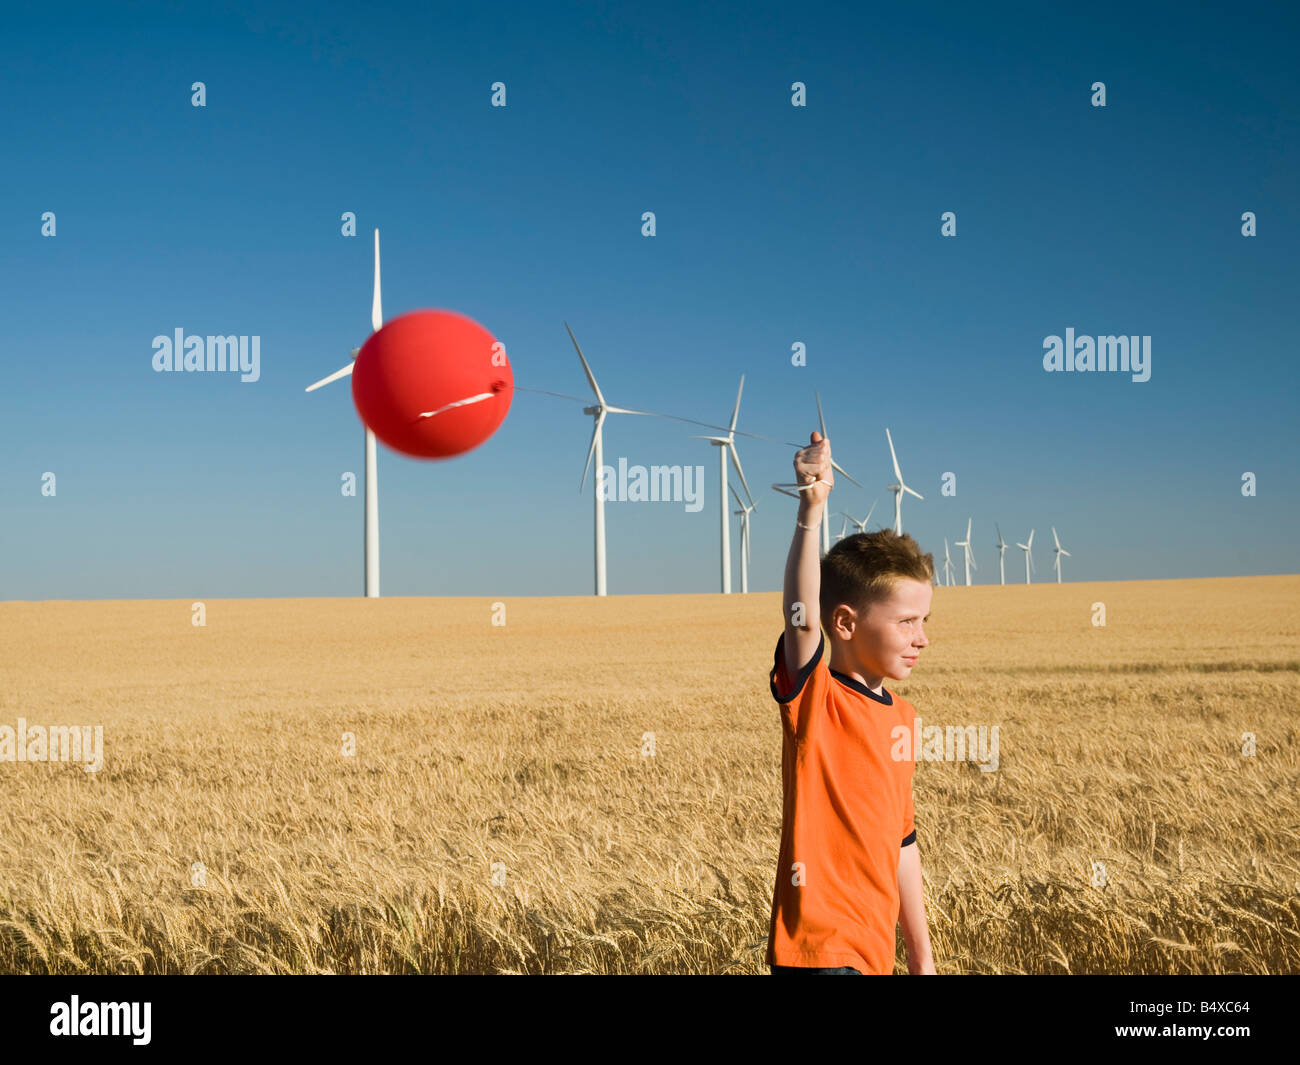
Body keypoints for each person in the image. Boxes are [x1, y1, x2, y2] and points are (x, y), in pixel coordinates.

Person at [767, 430, 937, 974]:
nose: (921, 638)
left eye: (924, 622)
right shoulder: (814, 696)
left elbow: (902, 844)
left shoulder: (904, 719)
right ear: (843, 622)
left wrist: (921, 958)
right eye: (906, 622)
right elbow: (800, 611)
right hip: (820, 954)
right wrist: (811, 510)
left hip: (873, 957)